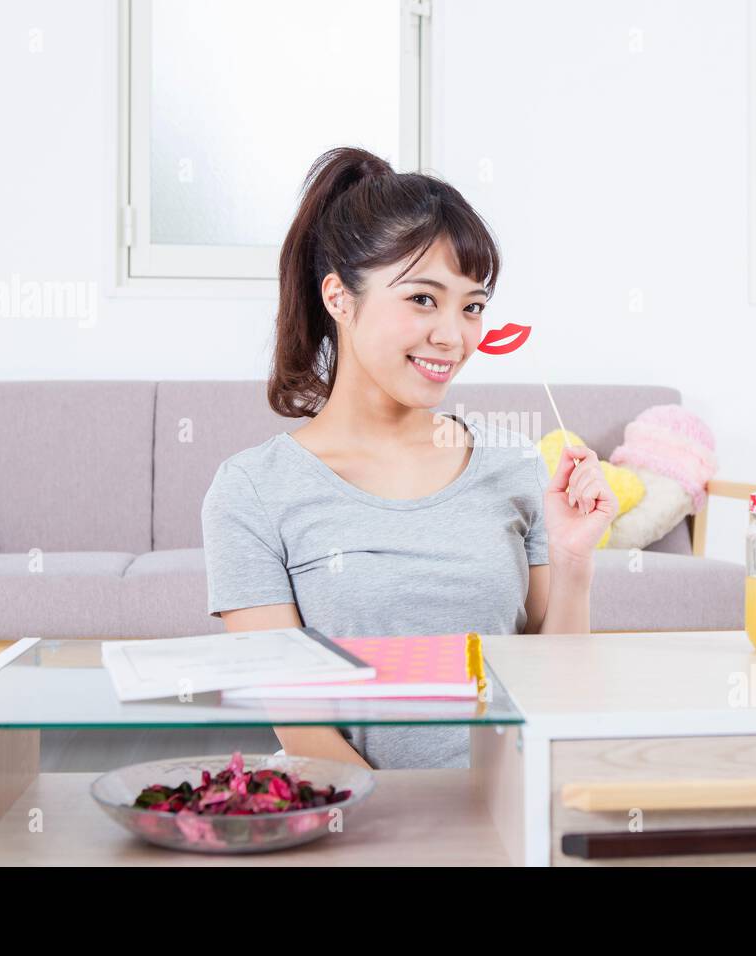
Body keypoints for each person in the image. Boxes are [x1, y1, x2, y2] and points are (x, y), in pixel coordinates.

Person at [201, 146, 614, 769]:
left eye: (472, 306)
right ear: (340, 298)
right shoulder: (253, 491)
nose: (453, 336)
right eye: (423, 299)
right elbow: (303, 730)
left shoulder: (513, 465)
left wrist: (574, 560)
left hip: (507, 812)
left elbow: (553, 691)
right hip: (360, 821)